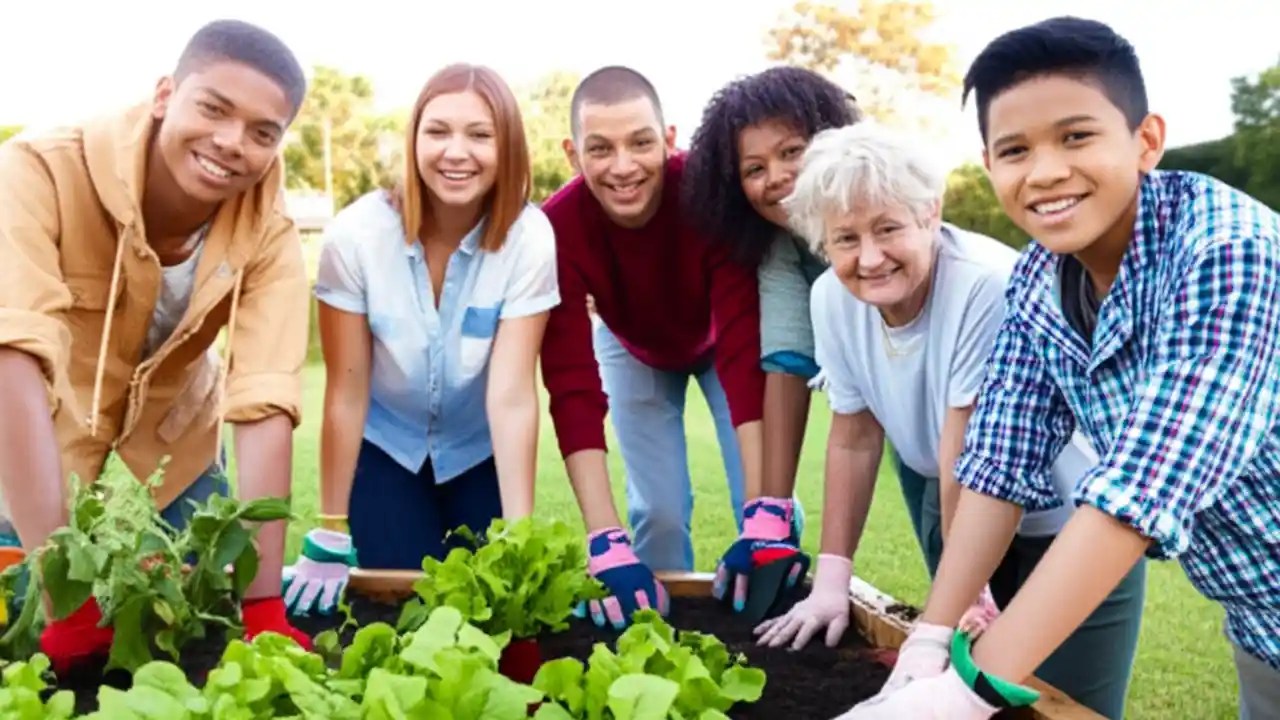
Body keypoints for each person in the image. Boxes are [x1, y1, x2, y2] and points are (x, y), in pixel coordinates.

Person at [841, 16, 1280, 720]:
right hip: (1260, 624)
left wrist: (968, 693)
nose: (1045, 172)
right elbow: (997, 461)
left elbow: (1143, 489)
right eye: (1014, 149)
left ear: (1146, 141)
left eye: (1076, 137)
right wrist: (931, 635)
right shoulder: (1036, 283)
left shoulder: (1226, 251)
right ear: (988, 165)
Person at [757, 121, 1144, 720]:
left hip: (1070, 526)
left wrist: (947, 614)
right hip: (962, 512)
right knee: (958, 698)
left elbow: (966, 449)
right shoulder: (831, 297)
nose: (870, 257)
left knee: (1063, 706)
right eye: (845, 238)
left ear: (930, 214)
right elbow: (854, 436)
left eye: (888, 229)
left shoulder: (986, 285)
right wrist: (833, 580)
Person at [0, 19, 313, 670]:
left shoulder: (272, 232)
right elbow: (13, 355)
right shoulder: (36, 171)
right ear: (167, 94)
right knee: (21, 629)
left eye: (263, 133)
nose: (232, 144)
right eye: (214, 109)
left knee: (185, 623)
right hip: (36, 441)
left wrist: (262, 608)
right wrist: (63, 595)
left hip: (175, 454)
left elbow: (265, 401)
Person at [280, 64, 557, 617]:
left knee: (494, 612)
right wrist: (331, 527)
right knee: (401, 611)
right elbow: (346, 392)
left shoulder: (529, 239)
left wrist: (520, 532)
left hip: (477, 452)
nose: (457, 152)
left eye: (480, 135)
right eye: (438, 132)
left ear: (508, 148)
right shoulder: (355, 237)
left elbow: (512, 396)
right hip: (388, 451)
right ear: (413, 141)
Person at [539, 65, 805, 630]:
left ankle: (778, 594)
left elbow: (740, 345)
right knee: (656, 511)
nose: (623, 166)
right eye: (600, 148)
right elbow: (570, 382)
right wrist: (604, 540)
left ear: (669, 138)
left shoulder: (705, 196)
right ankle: (654, 637)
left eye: (640, 143)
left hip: (718, 342)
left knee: (759, 493)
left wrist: (764, 515)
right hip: (629, 345)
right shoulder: (556, 226)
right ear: (572, 153)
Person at [682, 66, 858, 611]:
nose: (776, 177)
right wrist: (769, 518)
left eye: (791, 152)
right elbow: (786, 362)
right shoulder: (779, 251)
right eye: (754, 168)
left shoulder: (876, 230)